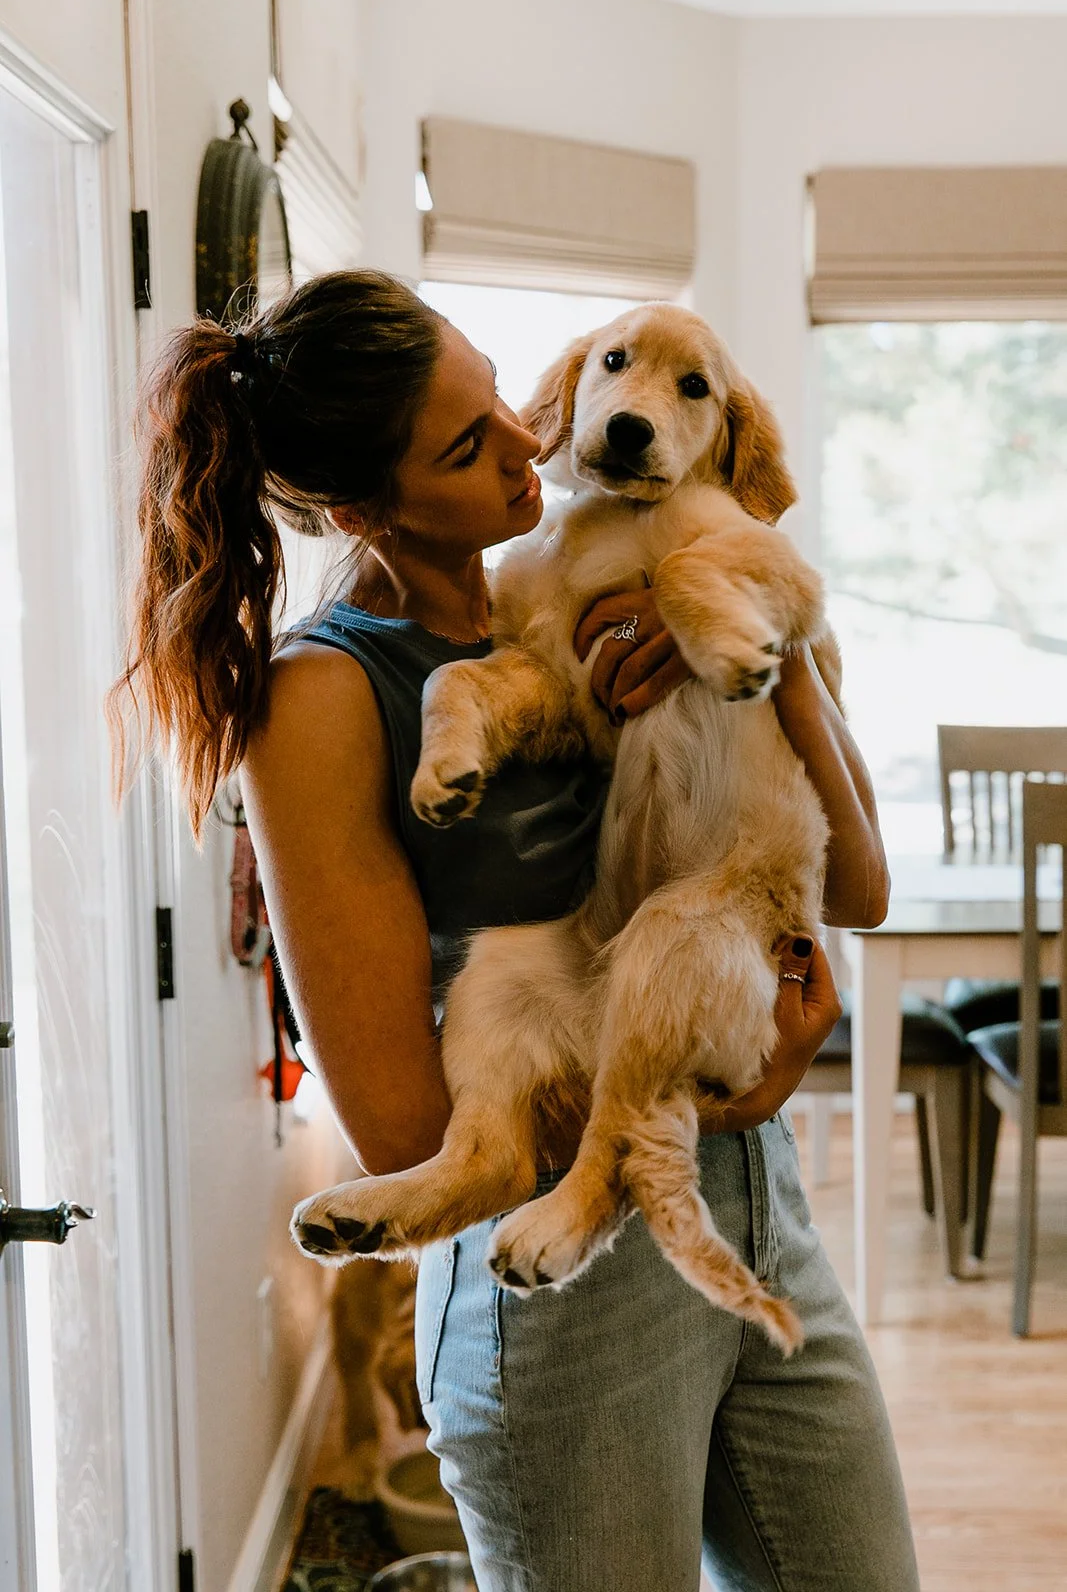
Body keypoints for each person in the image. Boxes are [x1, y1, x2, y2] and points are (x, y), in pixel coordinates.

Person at [111, 270, 918, 1592]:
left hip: (759, 1216)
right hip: (561, 1284)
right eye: (467, 440)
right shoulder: (327, 694)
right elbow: (392, 1128)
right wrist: (724, 1095)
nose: (533, 436)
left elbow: (857, 884)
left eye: (499, 389)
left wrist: (768, 647)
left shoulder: (589, 587)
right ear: (369, 505)